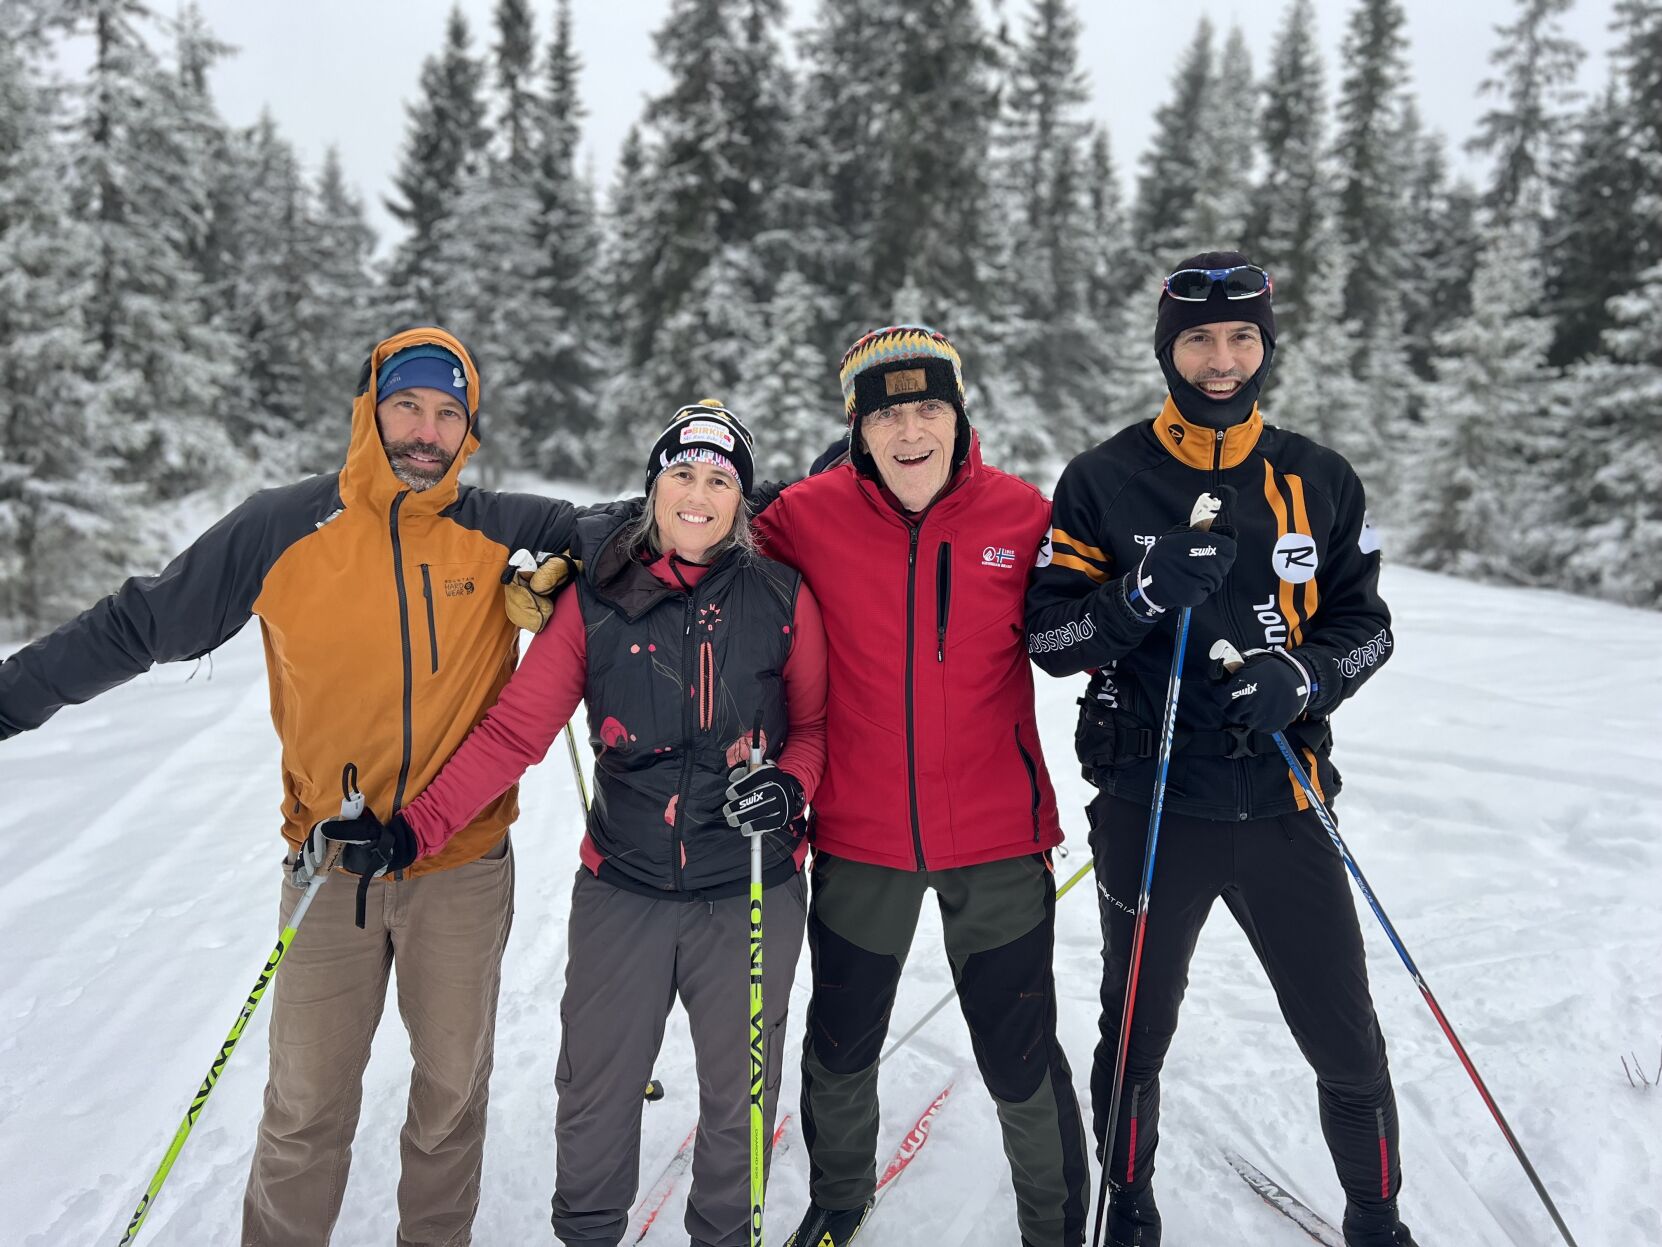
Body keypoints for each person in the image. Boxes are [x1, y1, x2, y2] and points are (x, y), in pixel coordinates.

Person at [0, 327, 603, 1246]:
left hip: (464, 867)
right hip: (328, 868)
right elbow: (137, 623)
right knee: (303, 1109)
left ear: (469, 429)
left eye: (449, 412)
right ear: (370, 407)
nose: (426, 430)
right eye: (408, 404)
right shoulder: (283, 526)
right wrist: (9, 700)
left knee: (449, 1101)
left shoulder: (506, 527)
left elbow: (656, 527)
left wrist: (569, 579)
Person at [323, 400, 829, 1247]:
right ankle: (588, 1232)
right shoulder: (597, 600)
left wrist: (789, 787)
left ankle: (723, 1233)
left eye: (719, 479)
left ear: (742, 499)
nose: (698, 495)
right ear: (652, 486)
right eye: (681, 473)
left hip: (749, 883)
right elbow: (515, 730)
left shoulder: (780, 595)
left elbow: (812, 727)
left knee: (739, 1092)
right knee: (596, 1082)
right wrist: (415, 828)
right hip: (623, 884)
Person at [1024, 253, 1414, 1247]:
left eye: (1241, 336)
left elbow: (1367, 624)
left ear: (1265, 345)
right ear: (1168, 347)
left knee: (1347, 1037)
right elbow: (1052, 639)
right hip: (1154, 806)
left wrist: (1307, 679)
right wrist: (1139, 595)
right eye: (1198, 338)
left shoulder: (1316, 475)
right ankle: (1133, 1204)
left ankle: (1375, 1218)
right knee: (1137, 1035)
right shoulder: (1105, 478)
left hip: (1284, 802)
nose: (1221, 357)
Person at [758, 326, 1091, 1247]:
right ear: (858, 428)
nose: (912, 430)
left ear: (960, 414)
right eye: (888, 412)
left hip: (998, 839)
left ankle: (1057, 1225)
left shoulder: (1024, 515)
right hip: (861, 839)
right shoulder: (802, 516)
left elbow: (1091, 629)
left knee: (1021, 1056)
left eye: (929, 407)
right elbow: (693, 547)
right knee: (841, 1045)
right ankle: (836, 1203)